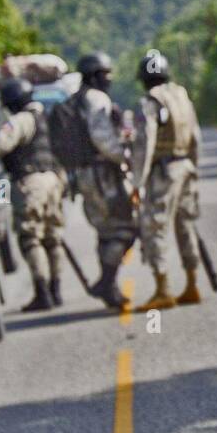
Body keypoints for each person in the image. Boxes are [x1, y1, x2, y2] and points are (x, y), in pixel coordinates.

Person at [0, 77, 66, 312]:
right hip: (53, 179)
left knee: (31, 237)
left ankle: (43, 293)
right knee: (53, 237)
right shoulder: (47, 118)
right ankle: (56, 290)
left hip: (31, 182)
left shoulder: (21, 120)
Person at [131, 52, 202, 310]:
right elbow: (195, 135)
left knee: (155, 227)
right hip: (186, 165)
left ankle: (163, 289)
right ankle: (192, 284)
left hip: (164, 171)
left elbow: (145, 143)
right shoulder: (181, 95)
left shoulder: (151, 101)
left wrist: (137, 182)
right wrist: (195, 165)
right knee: (186, 225)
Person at [71, 52, 137, 310]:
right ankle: (106, 281)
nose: (109, 80)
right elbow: (102, 138)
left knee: (105, 231)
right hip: (102, 175)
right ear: (96, 75)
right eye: (106, 74)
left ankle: (110, 290)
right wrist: (126, 157)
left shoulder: (76, 101)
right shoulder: (96, 99)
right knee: (126, 229)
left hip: (85, 175)